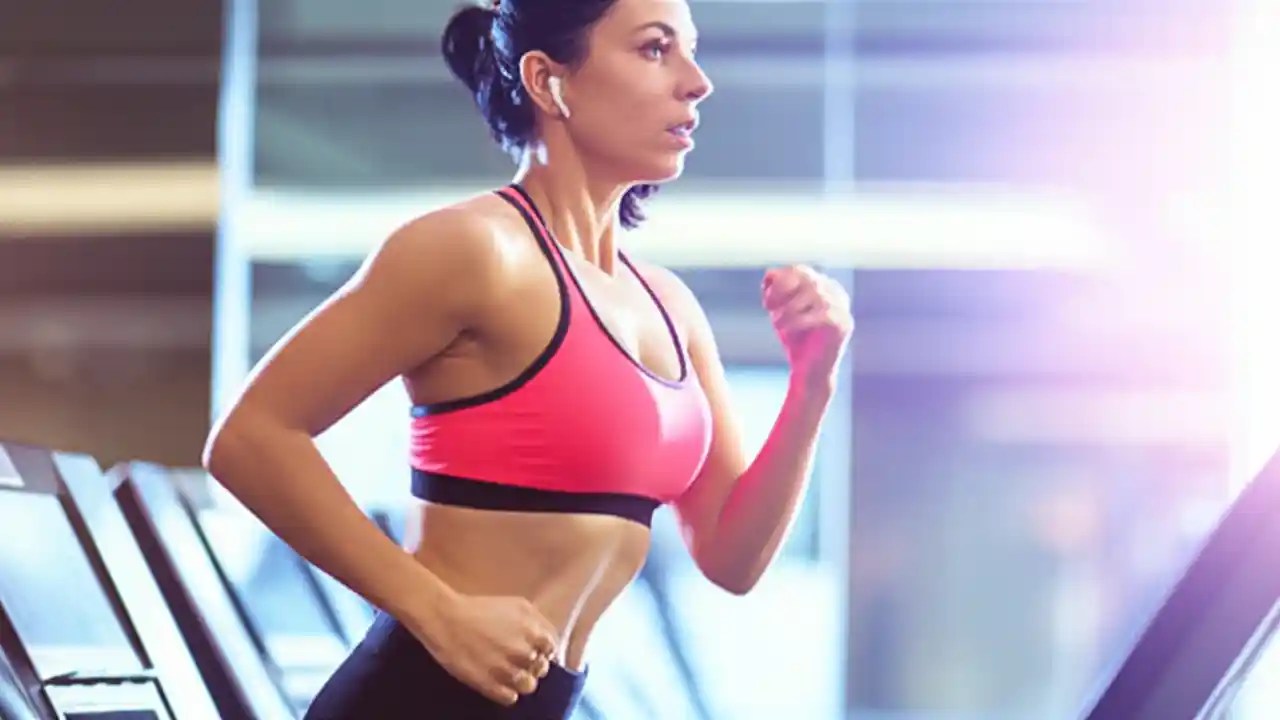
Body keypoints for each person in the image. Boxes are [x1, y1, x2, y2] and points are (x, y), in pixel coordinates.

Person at [201, 0, 854, 717]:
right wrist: (436, 610)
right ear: (548, 82)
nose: (697, 81)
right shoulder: (473, 251)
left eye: (691, 50)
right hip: (418, 698)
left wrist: (813, 380)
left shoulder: (669, 305)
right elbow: (250, 437)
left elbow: (732, 558)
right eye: (654, 49)